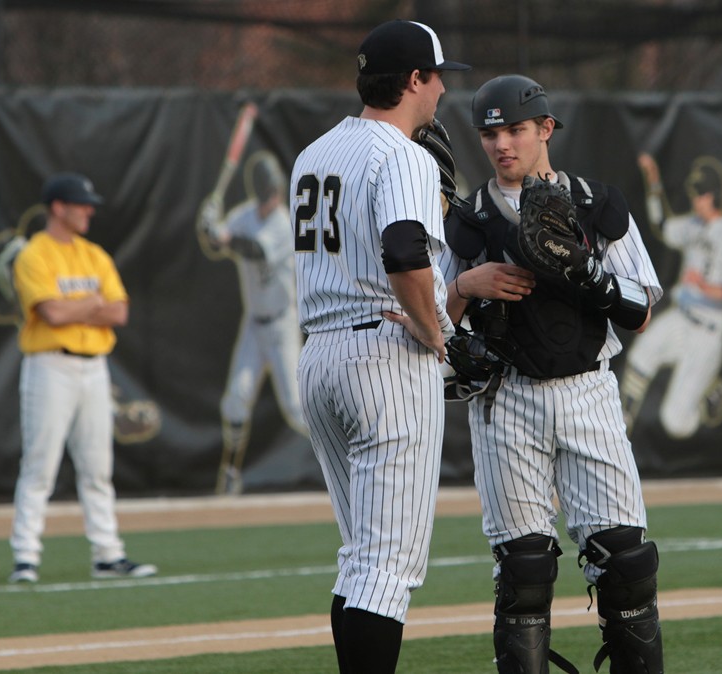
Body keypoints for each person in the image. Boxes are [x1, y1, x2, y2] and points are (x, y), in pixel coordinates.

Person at [440, 74, 665, 674]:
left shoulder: (595, 204)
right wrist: (467, 284)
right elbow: (434, 321)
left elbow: (642, 309)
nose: (501, 144)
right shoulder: (469, 220)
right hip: (506, 396)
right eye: (489, 134)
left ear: (545, 128)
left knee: (626, 560)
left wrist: (586, 273)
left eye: (514, 130)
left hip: (588, 389)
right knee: (525, 569)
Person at [288, 20, 467, 674]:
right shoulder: (404, 155)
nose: (443, 88)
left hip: (321, 354)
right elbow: (403, 249)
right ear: (414, 79)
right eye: (438, 76)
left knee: (362, 557)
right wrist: (434, 330)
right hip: (383, 356)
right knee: (387, 566)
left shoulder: (314, 153)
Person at [8, 172, 157, 584]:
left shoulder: (94, 255)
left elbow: (119, 312)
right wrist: (91, 304)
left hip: (93, 366)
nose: (89, 211)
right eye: (81, 204)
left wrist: (76, 306)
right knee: (40, 464)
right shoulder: (34, 254)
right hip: (50, 365)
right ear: (58, 207)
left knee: (97, 467)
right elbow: (51, 314)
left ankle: (107, 554)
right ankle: (25, 556)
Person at [199, 152, 308, 495]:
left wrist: (223, 238)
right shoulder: (244, 215)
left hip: (282, 324)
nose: (273, 199)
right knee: (236, 397)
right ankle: (231, 471)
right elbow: (216, 245)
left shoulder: (283, 223)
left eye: (275, 192)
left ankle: (346, 457)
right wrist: (208, 228)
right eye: (268, 193)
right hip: (254, 325)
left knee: (295, 408)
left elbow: (254, 251)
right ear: (259, 192)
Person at [620, 154, 722, 438]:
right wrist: (654, 182)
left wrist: (702, 285)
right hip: (682, 318)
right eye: (695, 193)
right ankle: (622, 424)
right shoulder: (693, 225)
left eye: (702, 193)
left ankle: (708, 395)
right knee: (640, 356)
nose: (697, 199)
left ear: (715, 195)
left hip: (708, 331)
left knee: (675, 421)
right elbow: (662, 225)